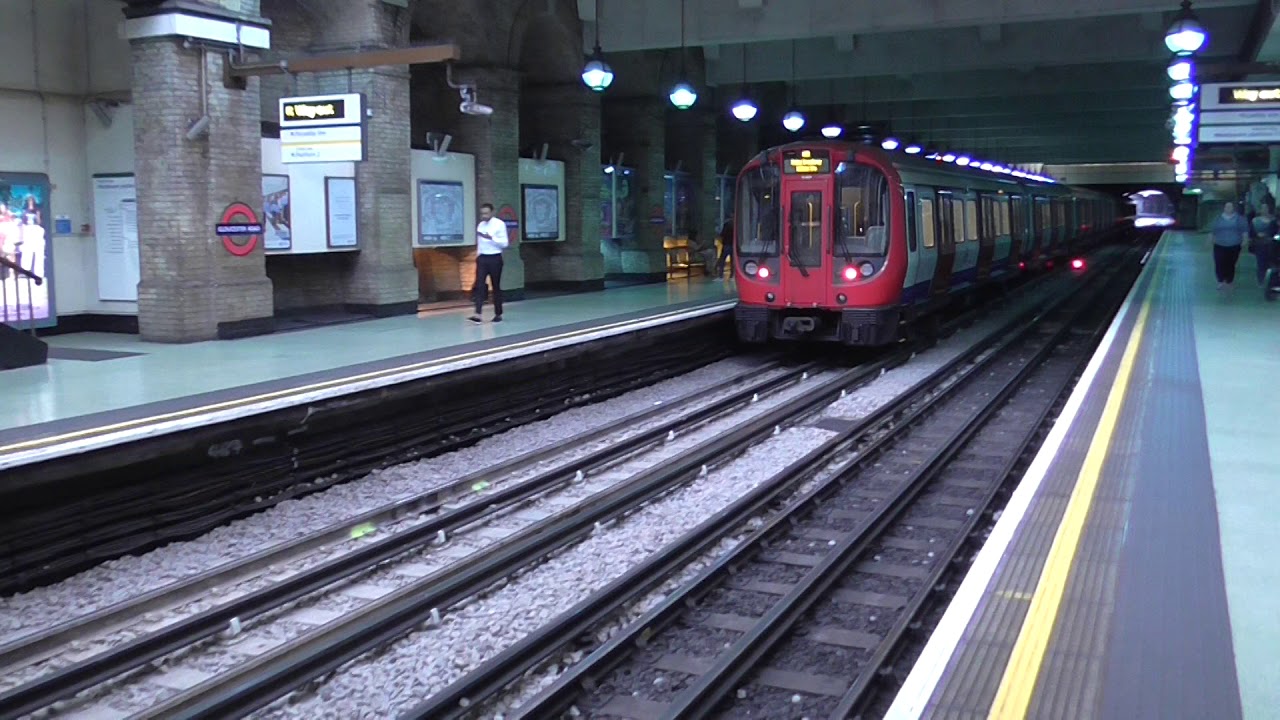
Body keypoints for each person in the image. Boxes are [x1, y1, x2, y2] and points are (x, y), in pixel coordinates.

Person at [470, 202, 509, 323]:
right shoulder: (480, 225)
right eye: (482, 214)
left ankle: (498, 313)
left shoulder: (499, 225)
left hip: (495, 258)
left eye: (486, 213)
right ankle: (478, 314)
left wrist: (491, 238)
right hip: (483, 258)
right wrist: (478, 256)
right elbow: (480, 242)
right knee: (480, 285)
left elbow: (505, 243)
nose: (484, 216)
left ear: (492, 212)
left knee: (495, 286)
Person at [1210, 201, 1249, 292]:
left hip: (1234, 245)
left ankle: (1229, 281)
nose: (1228, 208)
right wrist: (1211, 240)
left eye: (1230, 207)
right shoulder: (1218, 218)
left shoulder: (1239, 219)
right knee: (1219, 262)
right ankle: (1220, 281)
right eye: (1227, 207)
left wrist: (1245, 240)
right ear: (1224, 208)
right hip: (1219, 244)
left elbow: (1244, 231)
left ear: (1233, 208)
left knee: (1231, 263)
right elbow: (1213, 230)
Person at [1250, 202, 1278, 287]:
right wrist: (1256, 236)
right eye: (1263, 208)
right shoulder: (1255, 221)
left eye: (1266, 208)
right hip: (1260, 244)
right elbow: (1251, 233)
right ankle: (1261, 280)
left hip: (1272, 245)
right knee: (1261, 263)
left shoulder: (1273, 220)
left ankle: (1270, 280)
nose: (1264, 210)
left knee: (1271, 263)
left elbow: (1276, 232)